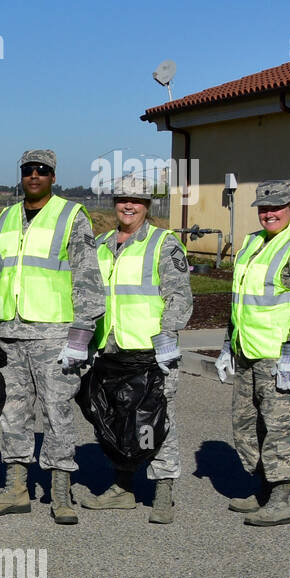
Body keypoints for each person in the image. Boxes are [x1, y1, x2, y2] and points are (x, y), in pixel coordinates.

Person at [0, 149, 103, 525]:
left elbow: (88, 278)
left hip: (53, 333)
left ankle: (60, 493)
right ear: (21, 176)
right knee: (12, 413)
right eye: (28, 170)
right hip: (10, 332)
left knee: (57, 412)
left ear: (53, 176)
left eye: (42, 170)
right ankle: (16, 488)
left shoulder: (71, 216)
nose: (34, 175)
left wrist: (81, 335)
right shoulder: (4, 218)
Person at [214, 179, 290, 527]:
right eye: (264, 208)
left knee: (281, 426)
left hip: (285, 356)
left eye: (277, 207)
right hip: (249, 352)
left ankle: (279, 499)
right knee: (247, 424)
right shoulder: (253, 243)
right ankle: (263, 486)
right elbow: (240, 302)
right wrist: (227, 344)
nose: (270, 214)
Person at [83, 175, 193, 524]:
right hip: (110, 349)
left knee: (157, 419)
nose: (128, 205)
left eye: (136, 200)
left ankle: (163, 491)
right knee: (115, 419)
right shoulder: (100, 244)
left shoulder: (164, 243)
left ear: (148, 205)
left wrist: (167, 333)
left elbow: (179, 295)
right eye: (122, 199)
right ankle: (122, 487)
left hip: (151, 350)